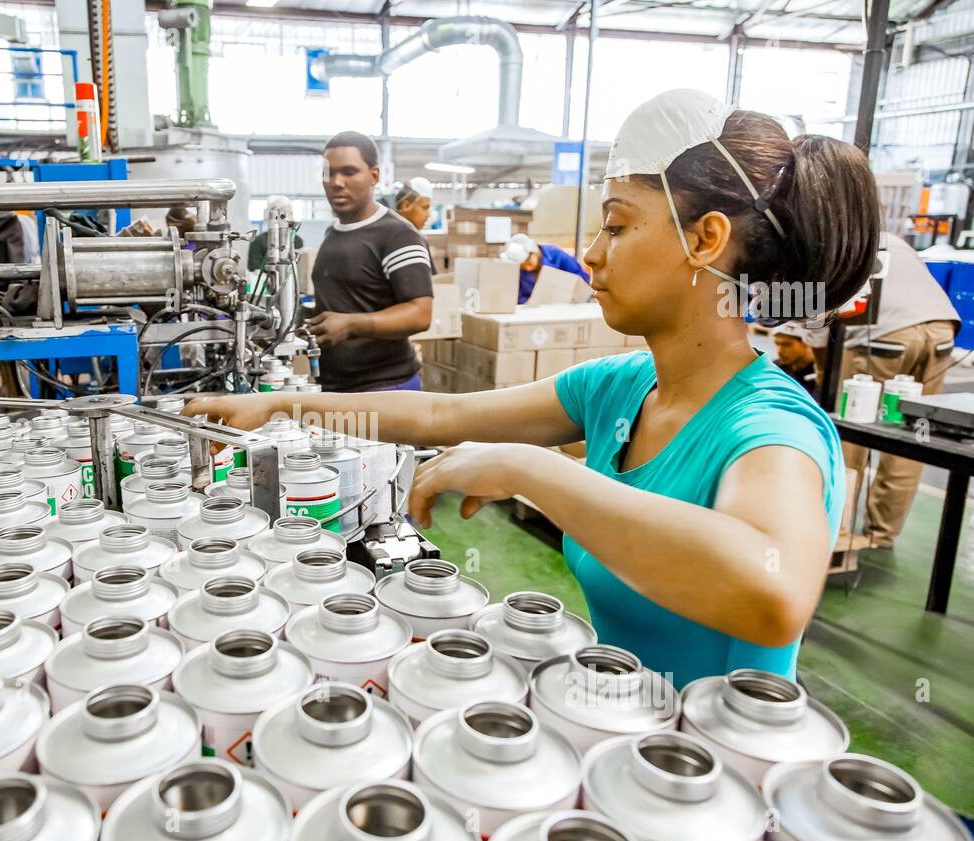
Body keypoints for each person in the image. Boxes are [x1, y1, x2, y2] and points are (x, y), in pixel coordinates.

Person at [186, 90, 879, 688]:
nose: (594, 253)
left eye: (617, 224)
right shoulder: (622, 389)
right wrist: (282, 404)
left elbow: (771, 591)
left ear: (707, 239)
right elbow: (436, 412)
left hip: (718, 787)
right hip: (621, 738)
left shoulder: (770, 428)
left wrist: (529, 467)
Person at [837, 232, 961, 548]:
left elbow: (821, 340)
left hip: (885, 333)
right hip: (942, 329)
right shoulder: (895, 240)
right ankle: (882, 535)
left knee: (852, 430)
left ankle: (838, 531)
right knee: (914, 433)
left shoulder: (837, 242)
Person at [306, 130, 433, 392]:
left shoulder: (397, 234)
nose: (336, 182)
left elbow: (421, 313)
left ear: (374, 175)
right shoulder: (334, 233)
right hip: (337, 387)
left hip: (385, 389)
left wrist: (351, 324)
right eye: (329, 173)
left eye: (349, 172)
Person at [501, 233, 589, 304]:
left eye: (528, 262)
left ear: (534, 251)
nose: (527, 268)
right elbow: (517, 297)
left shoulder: (556, 255)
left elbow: (582, 278)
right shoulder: (518, 272)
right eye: (522, 266)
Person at [247, 195, 303, 273]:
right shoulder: (258, 241)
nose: (291, 218)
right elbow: (254, 267)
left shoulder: (296, 241)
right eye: (287, 214)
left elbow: (300, 266)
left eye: (291, 213)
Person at [770, 323, 818, 394]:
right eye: (777, 344)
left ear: (807, 343)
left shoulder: (821, 373)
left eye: (786, 345)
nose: (779, 351)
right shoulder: (776, 368)